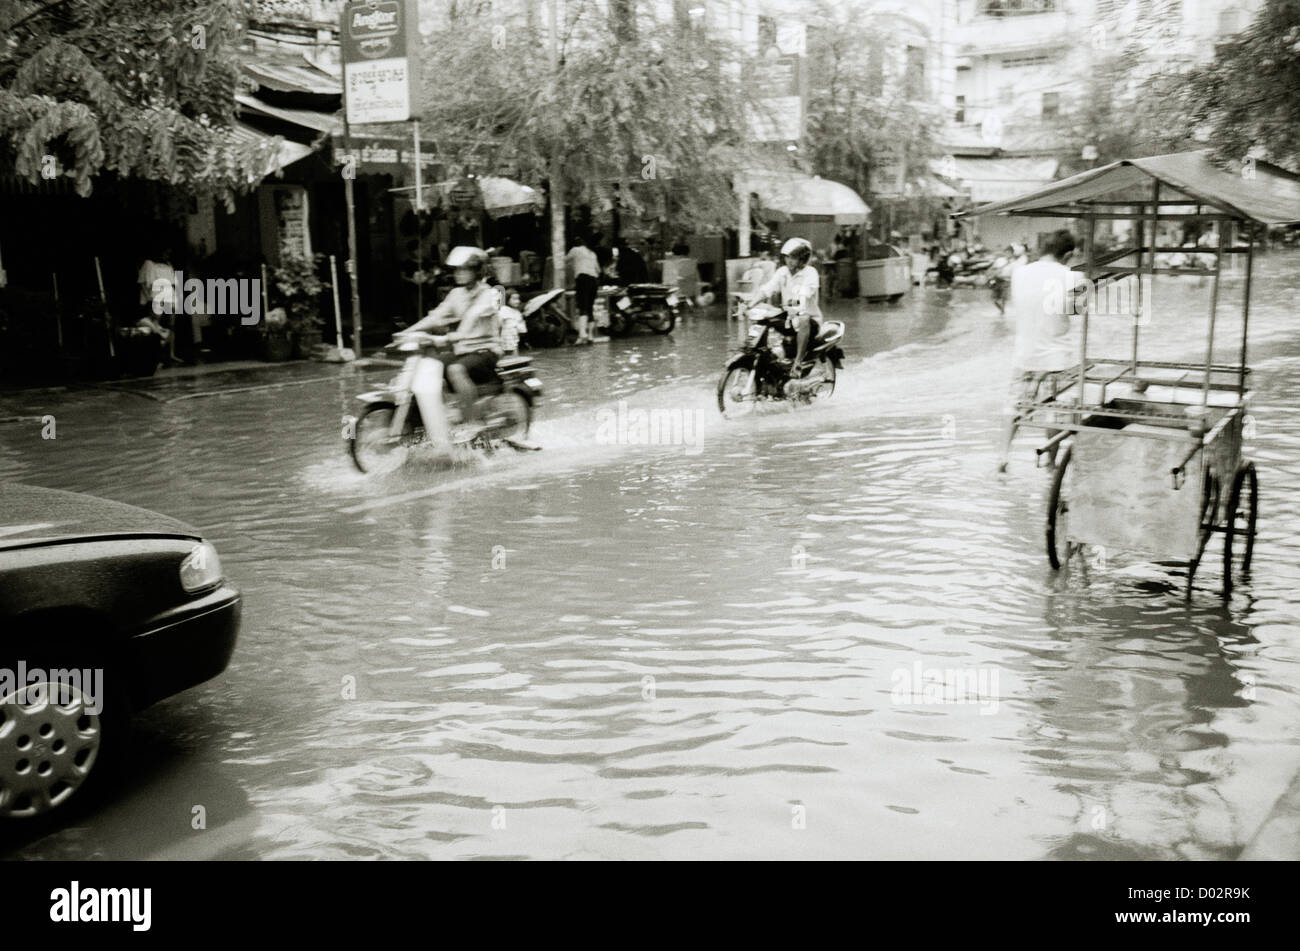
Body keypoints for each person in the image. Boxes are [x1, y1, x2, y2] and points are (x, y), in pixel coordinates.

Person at [398, 246, 504, 453]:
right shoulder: (455, 293)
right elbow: (436, 316)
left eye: (464, 269)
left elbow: (473, 316)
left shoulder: (492, 293)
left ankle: (473, 426)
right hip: (462, 352)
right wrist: (407, 332)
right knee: (426, 367)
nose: (458, 274)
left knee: (455, 370)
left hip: (486, 352)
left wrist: (452, 336)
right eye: (456, 270)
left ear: (477, 271)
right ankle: (421, 429)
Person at [999, 229, 1089, 472]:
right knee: (1056, 411)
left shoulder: (1020, 273)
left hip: (1024, 353)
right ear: (1069, 254)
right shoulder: (1074, 275)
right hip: (1057, 356)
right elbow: (1075, 311)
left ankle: (1004, 456)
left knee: (1015, 405)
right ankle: (1050, 463)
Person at [745, 236, 822, 373]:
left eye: (793, 257)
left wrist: (786, 307)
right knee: (762, 316)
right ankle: (760, 356)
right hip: (789, 318)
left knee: (803, 318)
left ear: (802, 258)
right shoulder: (782, 272)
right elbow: (767, 289)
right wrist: (751, 304)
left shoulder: (810, 273)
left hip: (810, 321)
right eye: (787, 257)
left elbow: (803, 295)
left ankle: (798, 362)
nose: (789, 260)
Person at [566, 234, 600, 345]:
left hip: (583, 279)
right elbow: (598, 270)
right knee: (589, 308)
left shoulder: (575, 250)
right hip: (594, 280)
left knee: (582, 306)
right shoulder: (592, 253)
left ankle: (582, 333)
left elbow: (563, 261)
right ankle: (590, 336)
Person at [498, 288, 527, 355]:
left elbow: (521, 329)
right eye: (514, 299)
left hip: (514, 339)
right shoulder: (504, 310)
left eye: (518, 299)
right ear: (507, 299)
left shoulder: (517, 312)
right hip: (505, 339)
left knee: (514, 357)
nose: (517, 301)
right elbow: (499, 324)